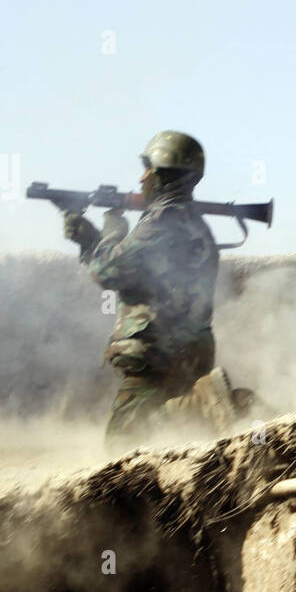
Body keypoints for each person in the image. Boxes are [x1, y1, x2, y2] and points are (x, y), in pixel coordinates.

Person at [64, 130, 220, 452]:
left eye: (148, 169)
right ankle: (192, 406)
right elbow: (138, 275)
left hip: (155, 351)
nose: (141, 178)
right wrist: (91, 241)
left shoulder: (159, 224)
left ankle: (200, 404)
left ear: (162, 176)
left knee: (121, 450)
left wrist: (109, 229)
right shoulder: (193, 223)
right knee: (170, 450)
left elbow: (107, 272)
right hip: (190, 351)